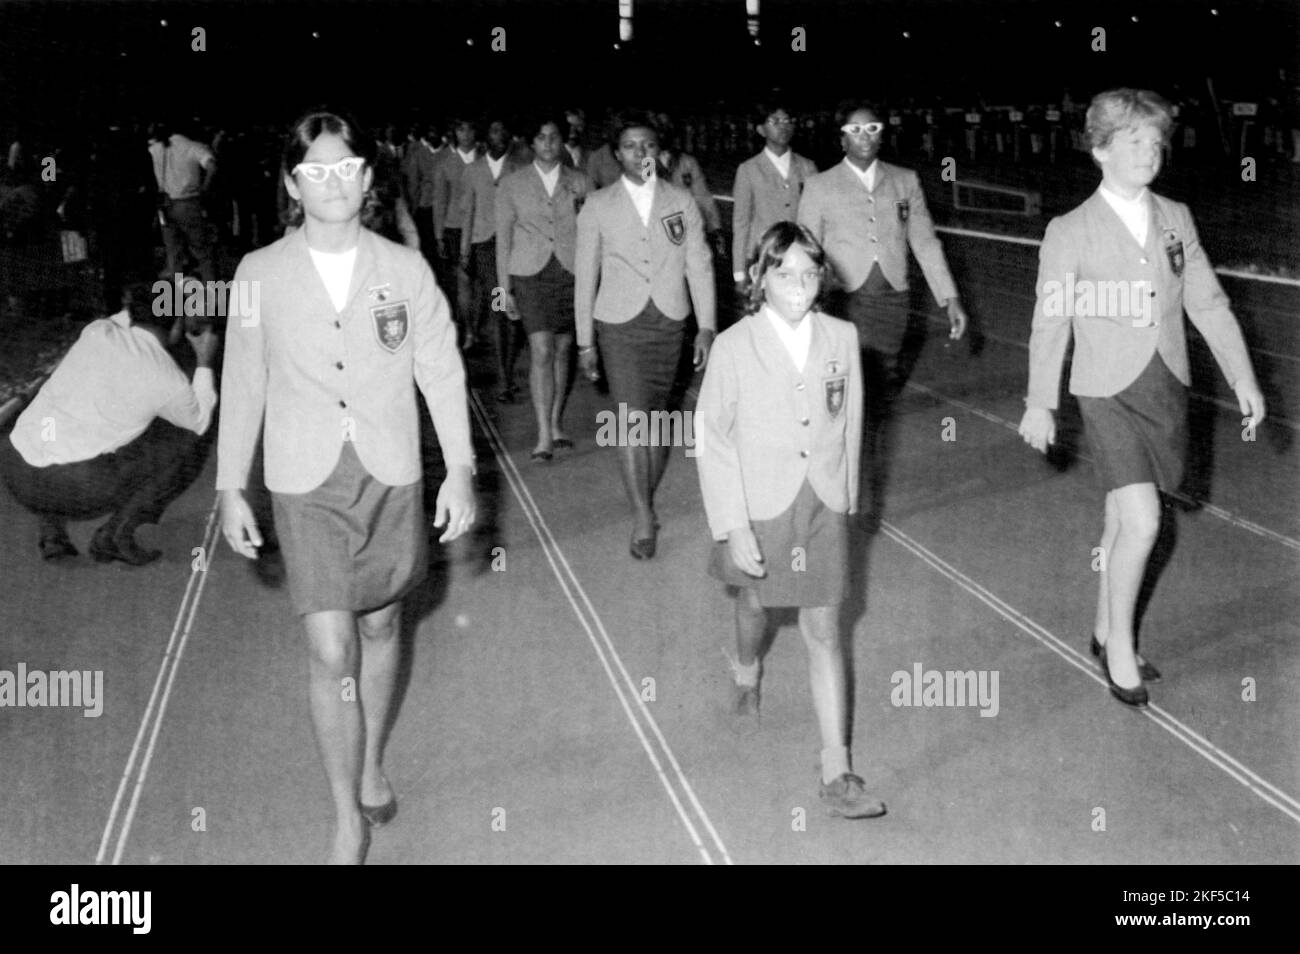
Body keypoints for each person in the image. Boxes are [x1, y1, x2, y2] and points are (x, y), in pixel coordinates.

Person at [216, 109, 476, 864]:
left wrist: (458, 467)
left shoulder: (405, 269)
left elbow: (439, 368)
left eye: (346, 169)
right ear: (293, 185)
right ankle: (345, 816)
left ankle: (369, 762)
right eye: (314, 173)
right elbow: (244, 381)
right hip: (304, 481)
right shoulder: (258, 273)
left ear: (367, 178)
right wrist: (231, 484)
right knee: (331, 650)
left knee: (382, 627)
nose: (332, 184)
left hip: (390, 472)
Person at [1018, 89, 1266, 709]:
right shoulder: (1068, 230)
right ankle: (1121, 648)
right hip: (1105, 390)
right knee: (1143, 521)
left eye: (1155, 142)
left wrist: (1242, 376)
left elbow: (1206, 301)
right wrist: (1039, 402)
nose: (1147, 152)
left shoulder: (1176, 216)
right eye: (1132, 141)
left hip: (1165, 383)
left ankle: (1104, 624)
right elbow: (1051, 321)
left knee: (1119, 516)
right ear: (1100, 150)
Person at [695, 221, 883, 819]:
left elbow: (851, 420)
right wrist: (734, 524)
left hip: (823, 499)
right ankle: (747, 671)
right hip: (761, 502)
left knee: (824, 627)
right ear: (759, 279)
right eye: (784, 274)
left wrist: (848, 500)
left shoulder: (843, 337)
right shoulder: (733, 345)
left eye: (808, 273)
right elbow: (713, 438)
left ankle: (837, 770)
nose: (798, 285)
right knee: (755, 608)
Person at [798, 102, 968, 524]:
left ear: (881, 134)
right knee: (843, 397)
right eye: (854, 130)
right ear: (841, 137)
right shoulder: (819, 186)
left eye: (872, 128)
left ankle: (858, 484)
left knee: (876, 399)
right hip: (842, 306)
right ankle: (839, 483)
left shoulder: (905, 181)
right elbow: (803, 252)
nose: (864, 136)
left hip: (893, 302)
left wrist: (949, 297)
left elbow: (926, 243)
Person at [575, 112, 715, 559]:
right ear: (617, 154)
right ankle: (642, 516)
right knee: (633, 423)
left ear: (661, 151)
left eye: (649, 145)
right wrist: (584, 341)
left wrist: (707, 326)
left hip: (669, 322)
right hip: (618, 325)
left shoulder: (682, 201)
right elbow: (585, 276)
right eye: (632, 146)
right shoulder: (598, 205)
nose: (642, 153)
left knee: (655, 423)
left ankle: (643, 494)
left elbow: (699, 265)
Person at [0, 276, 217, 564]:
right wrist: (204, 360)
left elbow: (129, 314)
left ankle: (51, 532)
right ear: (177, 323)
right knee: (187, 441)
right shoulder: (167, 378)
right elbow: (200, 421)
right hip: (73, 487)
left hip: (15, 470)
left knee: (59, 413)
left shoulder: (97, 330)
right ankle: (115, 536)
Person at [496, 116, 592, 460]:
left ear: (563, 142)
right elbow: (502, 240)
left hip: (570, 273)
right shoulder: (511, 184)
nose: (549, 143)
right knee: (540, 350)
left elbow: (592, 232)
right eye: (541, 137)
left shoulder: (581, 181)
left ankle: (555, 423)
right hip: (528, 275)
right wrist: (502, 292)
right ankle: (541, 437)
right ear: (530, 144)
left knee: (563, 349)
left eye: (554, 137)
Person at [458, 116, 528, 401]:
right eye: (494, 130)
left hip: (515, 249)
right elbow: (468, 212)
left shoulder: (520, 169)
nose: (500, 135)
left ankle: (508, 368)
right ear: (485, 138)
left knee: (514, 312)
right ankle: (505, 379)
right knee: (500, 307)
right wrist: (465, 251)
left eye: (504, 130)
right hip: (486, 250)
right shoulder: (473, 171)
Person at [731, 104, 818, 292]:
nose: (783, 126)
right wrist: (739, 272)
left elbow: (817, 219)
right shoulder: (748, 170)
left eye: (787, 121)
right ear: (761, 130)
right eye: (775, 121)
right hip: (762, 258)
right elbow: (741, 222)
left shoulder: (808, 167)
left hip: (800, 257)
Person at [148, 120, 218, 285]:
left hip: (164, 205)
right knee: (203, 252)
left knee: (173, 253)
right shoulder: (192, 147)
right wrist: (204, 188)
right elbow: (212, 166)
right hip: (188, 203)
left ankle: (179, 297)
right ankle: (213, 293)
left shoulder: (154, 149)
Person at [433, 116, 481, 348]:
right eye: (461, 129)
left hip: (485, 228)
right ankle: (469, 329)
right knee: (464, 281)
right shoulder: (446, 163)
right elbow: (440, 201)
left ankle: (497, 317)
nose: (466, 134)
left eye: (470, 129)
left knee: (495, 283)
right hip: (456, 228)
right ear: (455, 133)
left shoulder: (486, 160)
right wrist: (439, 234)